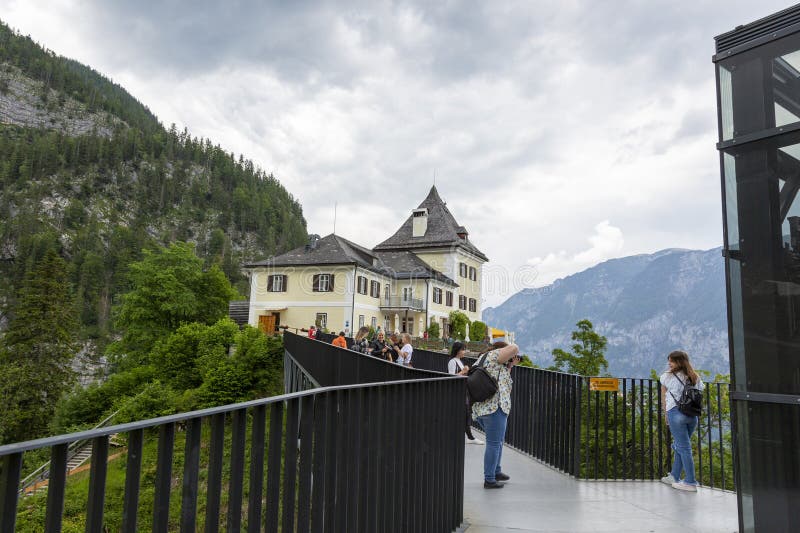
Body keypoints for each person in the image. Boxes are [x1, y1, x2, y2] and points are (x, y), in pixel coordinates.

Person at [471, 341, 520, 488]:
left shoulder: (486, 359)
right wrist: (511, 351)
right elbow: (515, 347)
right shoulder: (494, 355)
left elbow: (502, 383)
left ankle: (496, 471)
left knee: (498, 441)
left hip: (484, 408)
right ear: (502, 351)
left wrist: (510, 365)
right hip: (493, 408)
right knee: (493, 443)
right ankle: (489, 479)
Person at [660, 350, 704, 492]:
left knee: (684, 448)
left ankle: (690, 482)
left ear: (678, 362)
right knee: (681, 445)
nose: (669, 363)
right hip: (692, 416)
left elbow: (664, 398)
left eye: (671, 361)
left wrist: (666, 414)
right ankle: (674, 476)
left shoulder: (666, 377)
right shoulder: (694, 377)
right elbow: (700, 391)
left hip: (676, 413)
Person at [448, 341, 483, 445]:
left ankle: (467, 436)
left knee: (466, 412)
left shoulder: (459, 361)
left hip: (463, 390)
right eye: (463, 349)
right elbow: (451, 377)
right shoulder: (452, 362)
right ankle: (469, 437)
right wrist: (463, 372)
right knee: (465, 413)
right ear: (458, 351)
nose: (464, 351)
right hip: (458, 391)